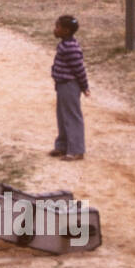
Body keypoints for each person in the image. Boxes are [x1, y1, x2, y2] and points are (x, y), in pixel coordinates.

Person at [50, 14, 89, 160]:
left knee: (72, 116)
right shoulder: (64, 44)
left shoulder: (71, 48)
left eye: (57, 27)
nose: (55, 30)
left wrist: (85, 86)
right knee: (62, 115)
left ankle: (76, 150)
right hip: (61, 85)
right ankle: (62, 146)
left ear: (66, 31)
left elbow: (79, 69)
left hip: (69, 85)